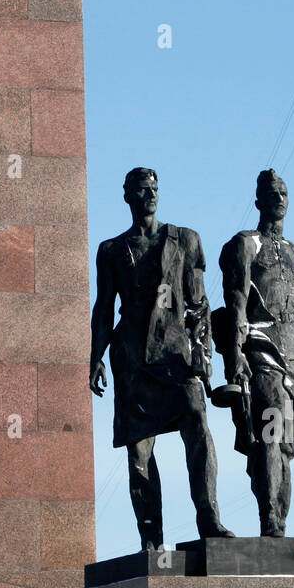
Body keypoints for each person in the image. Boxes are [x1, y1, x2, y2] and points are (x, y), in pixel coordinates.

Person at [89, 167, 234, 550]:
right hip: (133, 361)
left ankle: (209, 520)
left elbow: (200, 306)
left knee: (198, 423)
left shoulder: (185, 240)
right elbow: (104, 308)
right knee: (139, 454)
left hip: (175, 356)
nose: (150, 195)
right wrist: (96, 357)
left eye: (154, 188)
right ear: (127, 196)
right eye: (142, 189)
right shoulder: (111, 250)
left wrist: (202, 356)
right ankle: (151, 542)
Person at [215, 170, 294, 536]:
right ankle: (270, 519)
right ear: (258, 200)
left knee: (287, 448)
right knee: (270, 435)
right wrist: (235, 356)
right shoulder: (245, 245)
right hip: (262, 349)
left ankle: (279, 520)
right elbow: (236, 303)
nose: (279, 198)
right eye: (271, 193)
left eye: (284, 192)